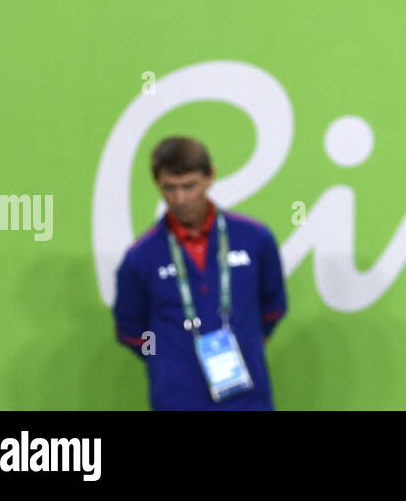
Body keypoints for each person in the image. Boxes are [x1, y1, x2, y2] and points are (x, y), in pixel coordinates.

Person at [113, 137, 287, 410]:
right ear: (158, 184)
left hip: (246, 398)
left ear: (210, 177)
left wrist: (246, 343)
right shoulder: (140, 257)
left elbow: (273, 308)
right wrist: (167, 361)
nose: (180, 199)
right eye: (170, 188)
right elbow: (130, 331)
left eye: (189, 186)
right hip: (176, 400)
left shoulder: (254, 238)